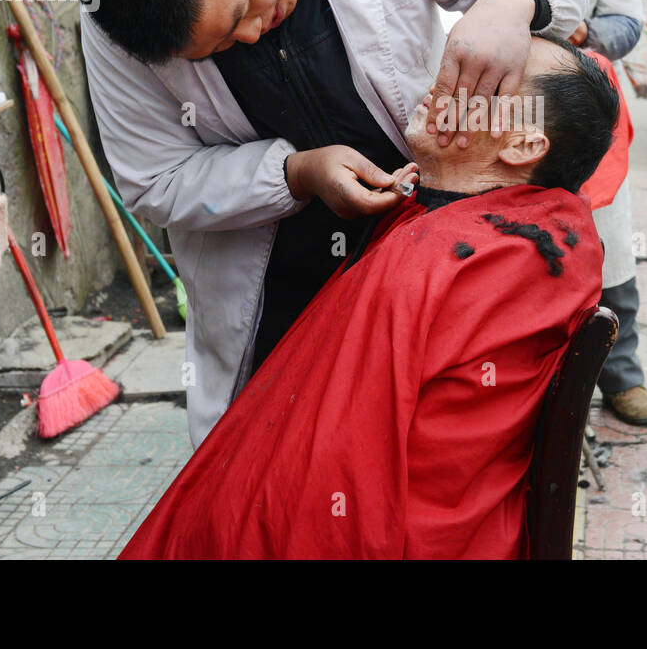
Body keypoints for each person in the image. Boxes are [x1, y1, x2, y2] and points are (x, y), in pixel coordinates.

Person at [72, 0, 590, 446]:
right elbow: (155, 182)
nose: (249, 34)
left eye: (243, 7)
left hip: (423, 253)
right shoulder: (120, 20)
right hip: (277, 290)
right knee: (290, 459)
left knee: (418, 438)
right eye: (218, 48)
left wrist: (508, 1)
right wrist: (295, 174)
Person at [119, 38, 619, 560]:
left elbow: (331, 488)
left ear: (522, 145)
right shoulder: (539, 229)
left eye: (484, 78)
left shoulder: (453, 263)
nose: (444, 79)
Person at [483, 0, 647, 427]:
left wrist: (585, 35)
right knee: (496, 240)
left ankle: (621, 375)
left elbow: (628, 25)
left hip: (579, 108)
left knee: (603, 235)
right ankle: (509, 378)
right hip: (493, 104)